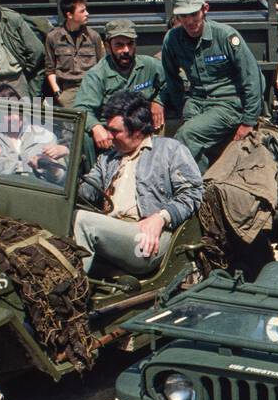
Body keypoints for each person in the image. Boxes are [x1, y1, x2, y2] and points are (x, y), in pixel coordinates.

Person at [74, 91, 204, 275]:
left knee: (82, 221)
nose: (109, 136)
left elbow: (193, 193)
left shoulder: (169, 150)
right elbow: (86, 191)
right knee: (68, 216)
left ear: (137, 131)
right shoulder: (108, 159)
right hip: (111, 231)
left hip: (146, 240)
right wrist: (60, 172)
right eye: (108, 129)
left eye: (115, 131)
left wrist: (161, 217)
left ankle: (73, 295)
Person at [159, 0, 263, 171]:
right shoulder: (172, 39)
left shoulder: (225, 36)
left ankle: (194, 187)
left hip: (228, 102)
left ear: (205, 9)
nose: (190, 21)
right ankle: (203, 183)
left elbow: (252, 77)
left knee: (187, 135)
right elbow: (172, 78)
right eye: (183, 16)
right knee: (189, 137)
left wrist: (249, 120)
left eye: (194, 14)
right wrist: (182, 106)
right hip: (196, 101)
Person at [74, 19, 168, 171]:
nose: (126, 50)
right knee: (85, 137)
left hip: (141, 129)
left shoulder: (149, 65)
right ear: (107, 46)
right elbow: (82, 108)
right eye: (119, 44)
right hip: (113, 134)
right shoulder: (97, 75)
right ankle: (95, 178)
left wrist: (159, 101)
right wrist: (96, 127)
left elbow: (171, 81)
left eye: (130, 44)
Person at [0, 83, 68, 183]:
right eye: (8, 113)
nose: (16, 117)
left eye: (19, 109)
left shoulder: (45, 137)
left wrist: (51, 166)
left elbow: (61, 181)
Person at [44, 0, 103, 109]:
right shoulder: (53, 38)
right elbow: (49, 69)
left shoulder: (93, 36)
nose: (87, 14)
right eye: (82, 11)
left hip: (91, 89)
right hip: (67, 92)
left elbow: (102, 65)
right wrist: (57, 92)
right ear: (69, 15)